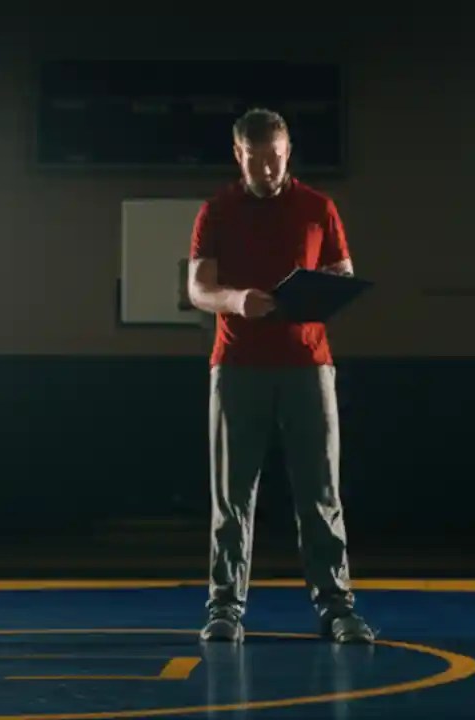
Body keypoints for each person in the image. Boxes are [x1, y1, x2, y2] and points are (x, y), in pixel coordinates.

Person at [186, 107, 374, 645]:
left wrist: (325, 288)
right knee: (232, 495)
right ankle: (224, 607)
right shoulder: (216, 211)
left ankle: (337, 607)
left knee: (320, 491)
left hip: (309, 366)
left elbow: (343, 273)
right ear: (238, 156)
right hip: (237, 366)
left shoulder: (319, 207)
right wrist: (236, 301)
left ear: (288, 152)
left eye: (276, 158)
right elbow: (199, 289)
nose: (267, 169)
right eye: (256, 159)